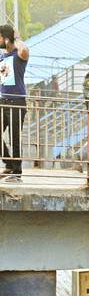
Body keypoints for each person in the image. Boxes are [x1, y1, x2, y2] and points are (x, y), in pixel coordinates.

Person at [0, 23, 29, 182]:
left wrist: (16, 37)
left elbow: (24, 50)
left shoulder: (19, 55)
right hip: (3, 100)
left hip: (17, 102)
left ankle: (17, 173)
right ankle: (9, 163)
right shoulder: (2, 56)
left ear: (5, 38)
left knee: (14, 138)